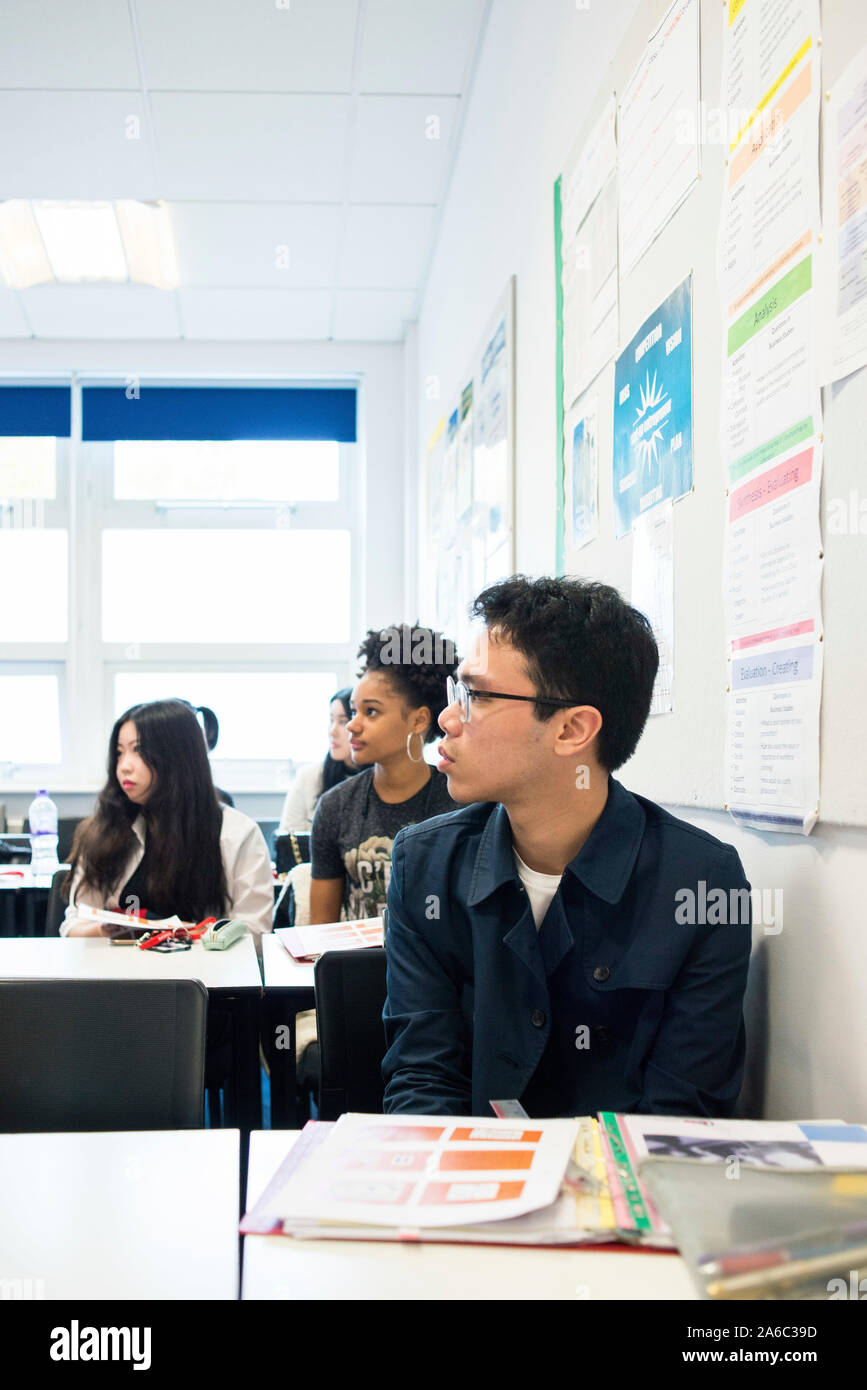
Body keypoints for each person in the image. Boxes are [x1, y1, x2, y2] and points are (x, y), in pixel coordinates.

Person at [382, 575, 753, 1118]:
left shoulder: (701, 886)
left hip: (624, 1191)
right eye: (457, 691)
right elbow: (421, 1078)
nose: (448, 718)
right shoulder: (425, 864)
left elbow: (682, 1115)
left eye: (478, 696)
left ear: (573, 729)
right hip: (475, 1187)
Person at [61, 699, 273, 939]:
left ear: (177, 756)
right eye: (120, 752)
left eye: (138, 750)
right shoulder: (106, 829)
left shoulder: (238, 833)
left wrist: (184, 933)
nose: (124, 766)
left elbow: (255, 934)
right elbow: (73, 925)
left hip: (201, 974)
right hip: (121, 972)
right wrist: (104, 929)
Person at [310, 624, 460, 923]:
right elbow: (319, 933)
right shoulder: (335, 806)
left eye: (371, 712)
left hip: (436, 967)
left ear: (418, 720)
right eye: (354, 711)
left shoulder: (461, 804)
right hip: (354, 967)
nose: (352, 725)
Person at [277, 687, 361, 834]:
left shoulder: (377, 778)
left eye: (343, 721)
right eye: (331, 720)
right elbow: (288, 841)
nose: (332, 731)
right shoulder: (308, 777)